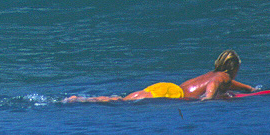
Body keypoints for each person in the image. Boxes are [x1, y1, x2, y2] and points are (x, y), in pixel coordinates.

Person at [64, 50, 255, 102]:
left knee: (123, 99)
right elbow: (215, 87)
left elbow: (230, 85)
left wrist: (250, 90)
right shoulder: (222, 78)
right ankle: (81, 100)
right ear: (234, 67)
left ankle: (79, 99)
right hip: (173, 95)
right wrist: (213, 98)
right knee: (124, 102)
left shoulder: (215, 74)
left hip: (168, 88)